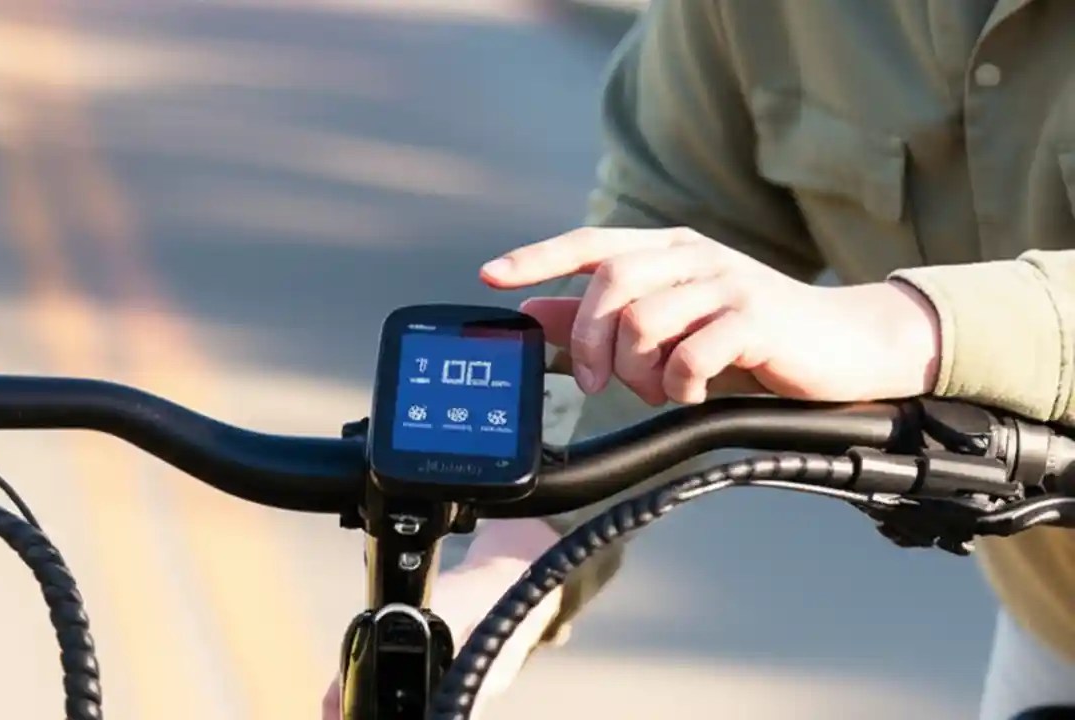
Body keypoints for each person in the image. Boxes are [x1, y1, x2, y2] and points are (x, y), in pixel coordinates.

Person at [322, 1, 1075, 717]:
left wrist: (897, 328)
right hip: (1055, 631)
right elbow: (677, 230)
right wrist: (506, 573)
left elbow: (866, 330)